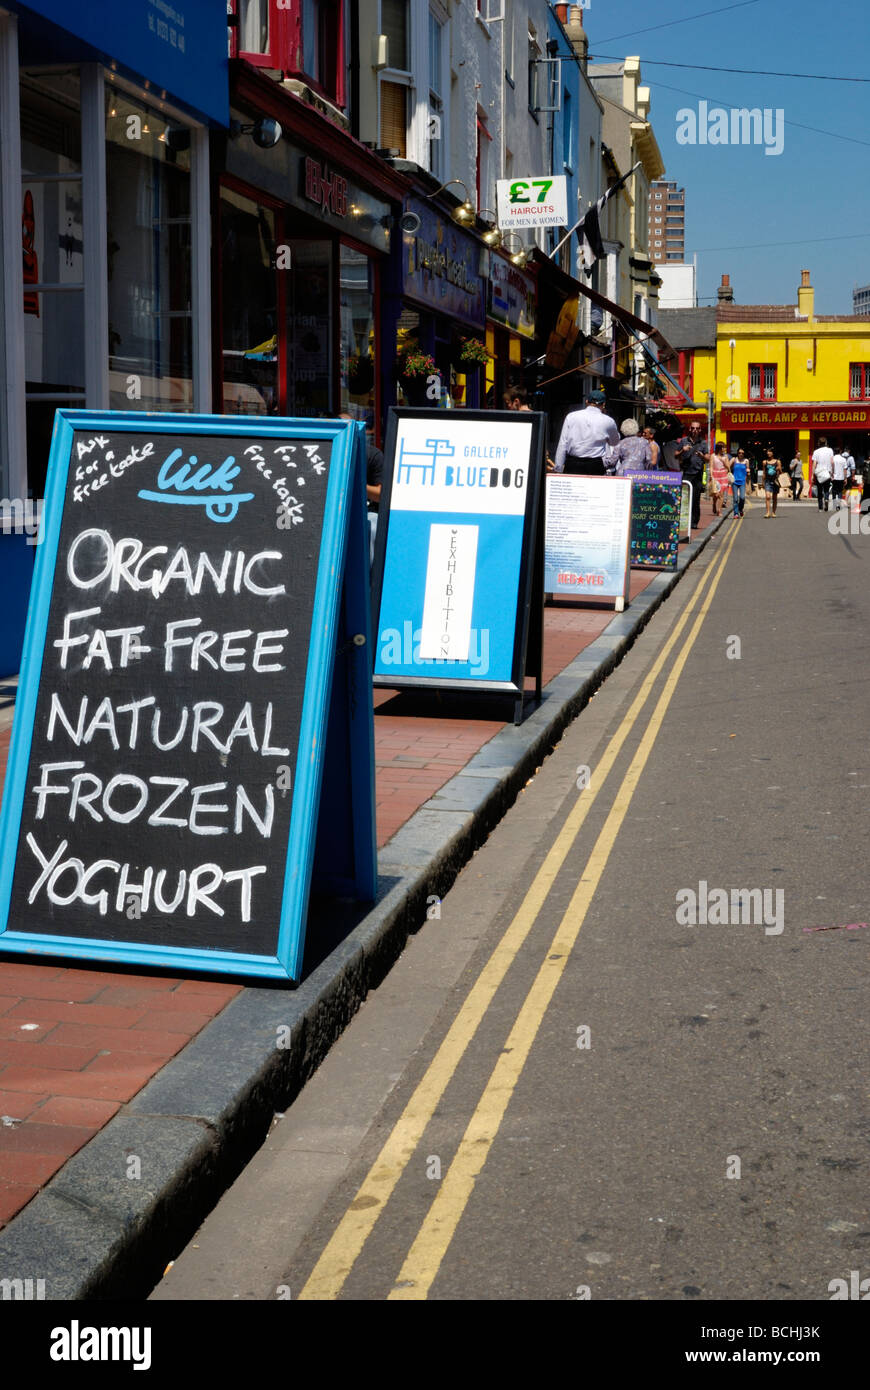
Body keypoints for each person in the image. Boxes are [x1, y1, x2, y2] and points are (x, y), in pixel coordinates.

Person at [553, 388, 619, 476]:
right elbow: (614, 442)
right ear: (603, 404)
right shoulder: (608, 421)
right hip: (595, 465)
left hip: (573, 464)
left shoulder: (571, 416)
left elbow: (563, 443)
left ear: (587, 401)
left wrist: (558, 467)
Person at [673, 421, 709, 528]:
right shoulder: (684, 441)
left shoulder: (703, 443)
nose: (695, 430)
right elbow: (675, 455)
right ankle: (683, 521)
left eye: (697, 428)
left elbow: (708, 459)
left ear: (700, 430)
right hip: (686, 473)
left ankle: (694, 522)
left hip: (697, 474)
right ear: (690, 429)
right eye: (693, 428)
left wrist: (702, 456)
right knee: (684, 498)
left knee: (695, 499)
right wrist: (682, 450)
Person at [811, 435, 833, 512]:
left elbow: (814, 463)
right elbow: (832, 461)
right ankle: (826, 499)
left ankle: (820, 508)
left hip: (819, 473)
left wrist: (812, 474)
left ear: (819, 443)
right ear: (826, 442)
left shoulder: (816, 452)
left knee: (819, 491)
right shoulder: (830, 450)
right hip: (827, 473)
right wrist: (832, 472)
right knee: (826, 489)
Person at [708, 441, 730, 516]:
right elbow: (711, 466)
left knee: (721, 494)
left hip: (723, 476)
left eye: (724, 447)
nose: (724, 449)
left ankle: (719, 510)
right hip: (715, 475)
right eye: (723, 447)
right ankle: (714, 503)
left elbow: (728, 467)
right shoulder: (713, 456)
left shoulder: (725, 456)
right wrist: (711, 475)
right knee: (716, 494)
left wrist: (724, 462)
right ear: (719, 448)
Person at [761, 448, 781, 517]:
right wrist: (762, 482)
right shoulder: (764, 462)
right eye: (767, 452)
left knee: (774, 498)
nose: (768, 453)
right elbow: (764, 473)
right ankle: (767, 512)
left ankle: (773, 512)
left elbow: (781, 473)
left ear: (773, 453)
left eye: (769, 452)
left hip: (775, 481)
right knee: (768, 496)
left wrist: (779, 469)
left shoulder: (777, 462)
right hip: (767, 481)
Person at [730, 448, 748, 517]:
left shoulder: (746, 461)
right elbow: (728, 466)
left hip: (742, 481)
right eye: (740, 453)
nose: (741, 454)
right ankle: (736, 513)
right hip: (734, 481)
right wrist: (729, 473)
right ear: (737, 453)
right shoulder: (734, 459)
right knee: (735, 498)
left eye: (742, 453)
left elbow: (748, 470)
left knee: (742, 497)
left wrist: (748, 473)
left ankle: (740, 509)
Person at [831, 445, 847, 510]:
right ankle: (839, 505)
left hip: (834, 477)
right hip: (841, 477)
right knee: (840, 491)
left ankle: (834, 505)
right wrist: (845, 478)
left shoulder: (832, 459)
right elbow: (845, 469)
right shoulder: (843, 459)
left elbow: (830, 468)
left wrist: (831, 476)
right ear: (840, 452)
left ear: (834, 452)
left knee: (834, 491)